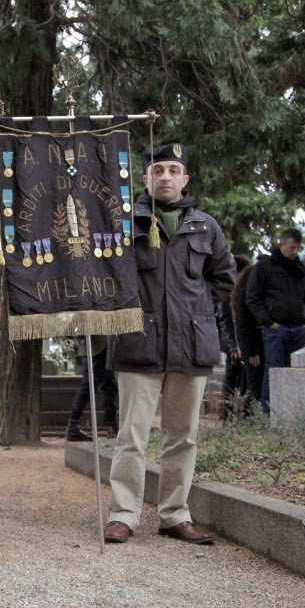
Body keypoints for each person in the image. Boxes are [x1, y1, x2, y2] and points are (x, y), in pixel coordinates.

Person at [104, 143, 235, 546]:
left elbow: (224, 277)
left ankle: (175, 515)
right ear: (145, 178)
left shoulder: (205, 226)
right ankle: (123, 515)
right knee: (132, 435)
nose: (165, 176)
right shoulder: (126, 223)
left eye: (173, 170)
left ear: (185, 179)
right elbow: (106, 272)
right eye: (157, 169)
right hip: (138, 341)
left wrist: (193, 310)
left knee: (183, 436)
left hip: (191, 345)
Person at [245, 228, 305, 414]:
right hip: (276, 327)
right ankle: (269, 412)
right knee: (274, 371)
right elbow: (252, 298)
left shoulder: (301, 270)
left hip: (299, 328)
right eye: (292, 247)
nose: (295, 252)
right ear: (282, 245)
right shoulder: (264, 267)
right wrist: (268, 322)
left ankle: (296, 411)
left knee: (298, 371)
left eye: (298, 248)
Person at [217, 255, 250, 420]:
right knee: (231, 380)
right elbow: (226, 320)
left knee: (242, 380)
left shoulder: (241, 289)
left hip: (241, 340)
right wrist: (234, 346)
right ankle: (226, 415)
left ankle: (238, 415)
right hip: (233, 343)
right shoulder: (228, 290)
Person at [66, 336, 118, 441]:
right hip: (98, 346)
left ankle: (73, 425)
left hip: (92, 347)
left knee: (89, 385)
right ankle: (112, 428)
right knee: (108, 387)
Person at [232, 259, 264, 412]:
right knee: (254, 386)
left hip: (259, 343)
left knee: (255, 384)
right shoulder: (244, 295)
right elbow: (243, 327)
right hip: (253, 347)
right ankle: (247, 418)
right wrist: (251, 351)